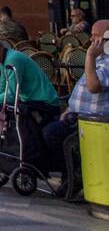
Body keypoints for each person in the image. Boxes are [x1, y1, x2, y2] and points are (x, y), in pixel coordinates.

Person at [0, 32, 61, 157]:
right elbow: (3, 89)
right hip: (32, 100)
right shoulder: (5, 59)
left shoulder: (12, 60)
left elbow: (11, 96)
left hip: (44, 103)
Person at [41, 19, 109, 176]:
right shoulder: (101, 57)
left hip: (94, 122)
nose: (91, 40)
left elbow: (93, 87)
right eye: (91, 35)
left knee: (50, 133)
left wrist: (90, 57)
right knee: (39, 124)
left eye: (95, 36)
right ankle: (70, 172)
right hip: (76, 116)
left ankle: (75, 172)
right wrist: (70, 109)